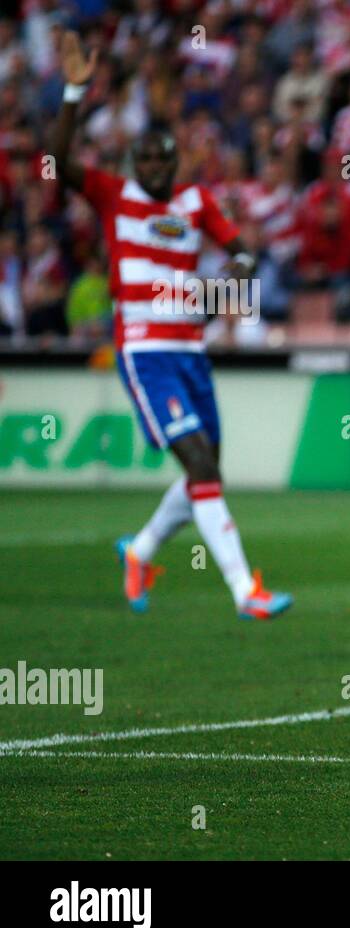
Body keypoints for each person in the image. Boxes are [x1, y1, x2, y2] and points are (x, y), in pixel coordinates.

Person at [50, 32, 290, 619]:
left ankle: (143, 549)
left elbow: (244, 255)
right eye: (147, 158)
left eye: (164, 158)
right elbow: (55, 160)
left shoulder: (195, 202)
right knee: (202, 468)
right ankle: (244, 591)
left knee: (207, 471)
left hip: (191, 349)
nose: (156, 166)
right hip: (145, 350)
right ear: (135, 163)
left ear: (175, 161)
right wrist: (76, 91)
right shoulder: (114, 194)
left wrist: (226, 280)